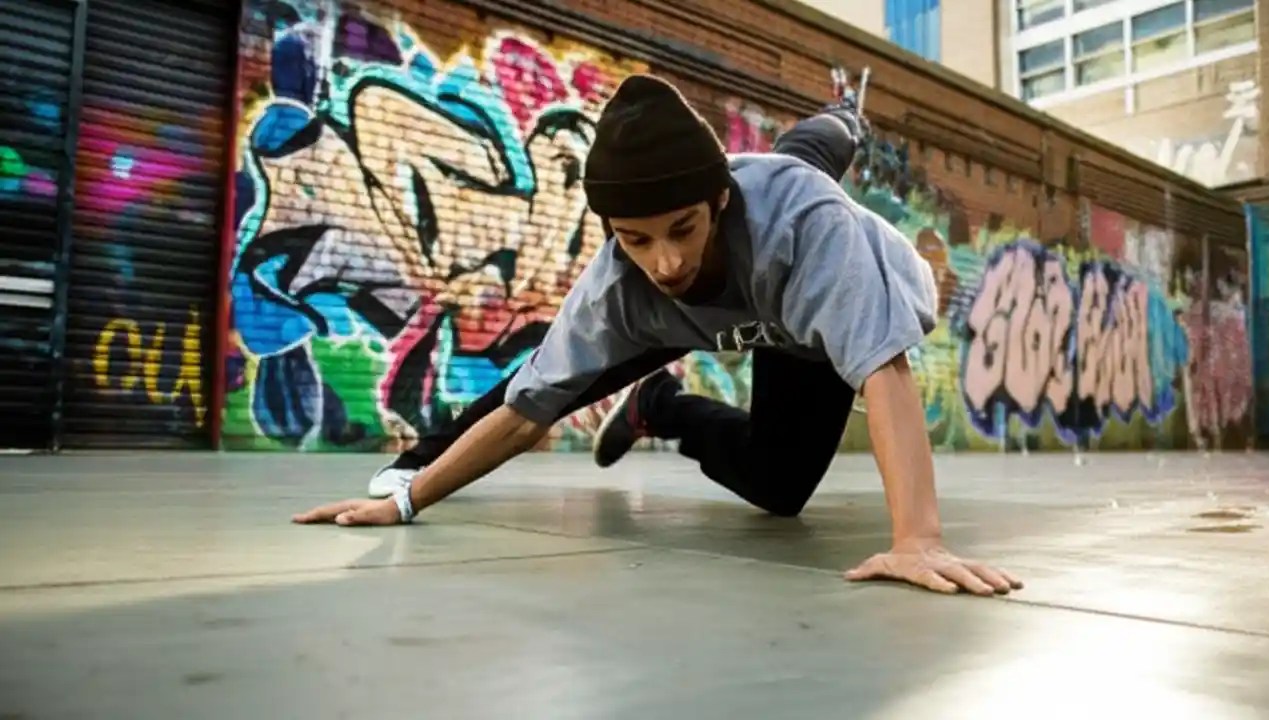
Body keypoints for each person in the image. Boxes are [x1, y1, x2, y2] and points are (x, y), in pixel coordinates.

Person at [293, 74, 1023, 597]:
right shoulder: (620, 284)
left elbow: (883, 373)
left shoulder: (807, 229)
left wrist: (916, 538)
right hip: (677, 323)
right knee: (559, 374)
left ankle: (663, 406)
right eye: (637, 239)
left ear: (718, 198)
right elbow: (524, 411)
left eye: (683, 230)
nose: (666, 261)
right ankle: (643, 383)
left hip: (799, 330)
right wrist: (408, 498)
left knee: (779, 490)